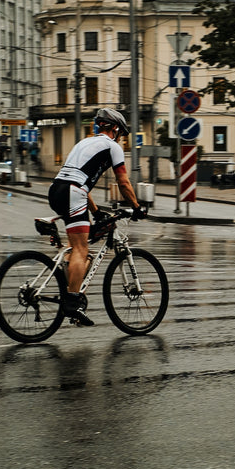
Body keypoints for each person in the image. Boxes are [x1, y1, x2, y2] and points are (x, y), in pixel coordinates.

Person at [48, 108, 147, 326]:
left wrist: (95, 212)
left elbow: (79, 181)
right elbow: (123, 182)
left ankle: (67, 286)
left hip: (57, 190)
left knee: (79, 247)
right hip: (73, 193)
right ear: (115, 129)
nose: (120, 137)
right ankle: (72, 304)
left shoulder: (84, 143)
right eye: (120, 133)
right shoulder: (112, 146)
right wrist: (137, 207)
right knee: (81, 250)